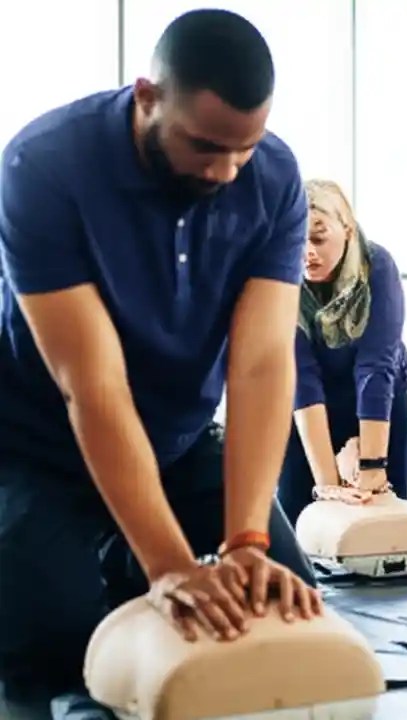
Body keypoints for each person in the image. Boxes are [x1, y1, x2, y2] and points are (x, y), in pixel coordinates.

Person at [0, 9, 322, 710]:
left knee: (284, 601)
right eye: (206, 146)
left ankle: (135, 553)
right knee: (56, 645)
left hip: (174, 439)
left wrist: (245, 541)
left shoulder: (272, 178)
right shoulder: (43, 165)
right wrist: (171, 566)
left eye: (244, 149)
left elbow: (263, 363)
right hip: (35, 445)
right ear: (147, 95)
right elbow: (92, 384)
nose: (226, 170)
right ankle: (120, 561)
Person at [276, 179, 407, 525]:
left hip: (380, 397)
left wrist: (371, 466)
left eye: (319, 238)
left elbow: (376, 367)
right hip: (307, 402)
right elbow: (302, 379)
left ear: (348, 231)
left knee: (380, 519)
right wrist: (327, 484)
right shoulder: (282, 276)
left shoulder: (378, 266)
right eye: (299, 239)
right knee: (304, 515)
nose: (307, 252)